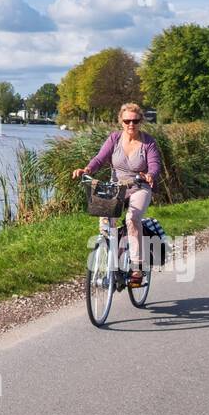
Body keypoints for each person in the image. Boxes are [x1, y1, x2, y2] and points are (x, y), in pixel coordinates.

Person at [71, 103, 162, 286]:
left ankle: (136, 267)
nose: (131, 124)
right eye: (127, 120)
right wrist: (87, 169)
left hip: (139, 188)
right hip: (116, 188)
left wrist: (150, 174)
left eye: (135, 121)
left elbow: (154, 164)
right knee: (106, 226)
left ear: (140, 121)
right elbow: (99, 158)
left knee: (132, 219)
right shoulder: (114, 139)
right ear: (121, 121)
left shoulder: (148, 143)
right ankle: (114, 264)